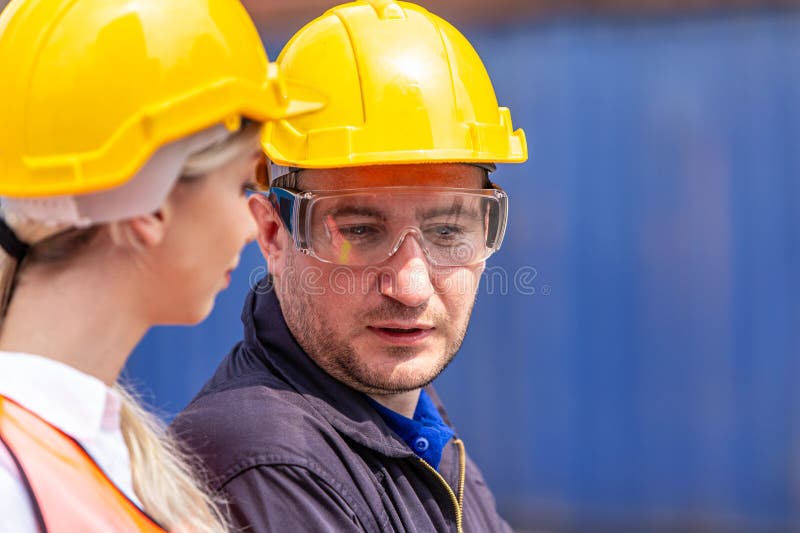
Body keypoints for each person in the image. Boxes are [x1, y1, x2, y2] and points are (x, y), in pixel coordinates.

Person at [171, 0, 527, 531]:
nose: (409, 286)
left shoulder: (409, 425)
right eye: (358, 232)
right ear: (272, 232)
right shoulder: (265, 464)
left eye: (447, 232)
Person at [0, 0, 321, 532]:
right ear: (149, 206)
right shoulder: (13, 480)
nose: (253, 225)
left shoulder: (94, 447)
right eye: (242, 185)